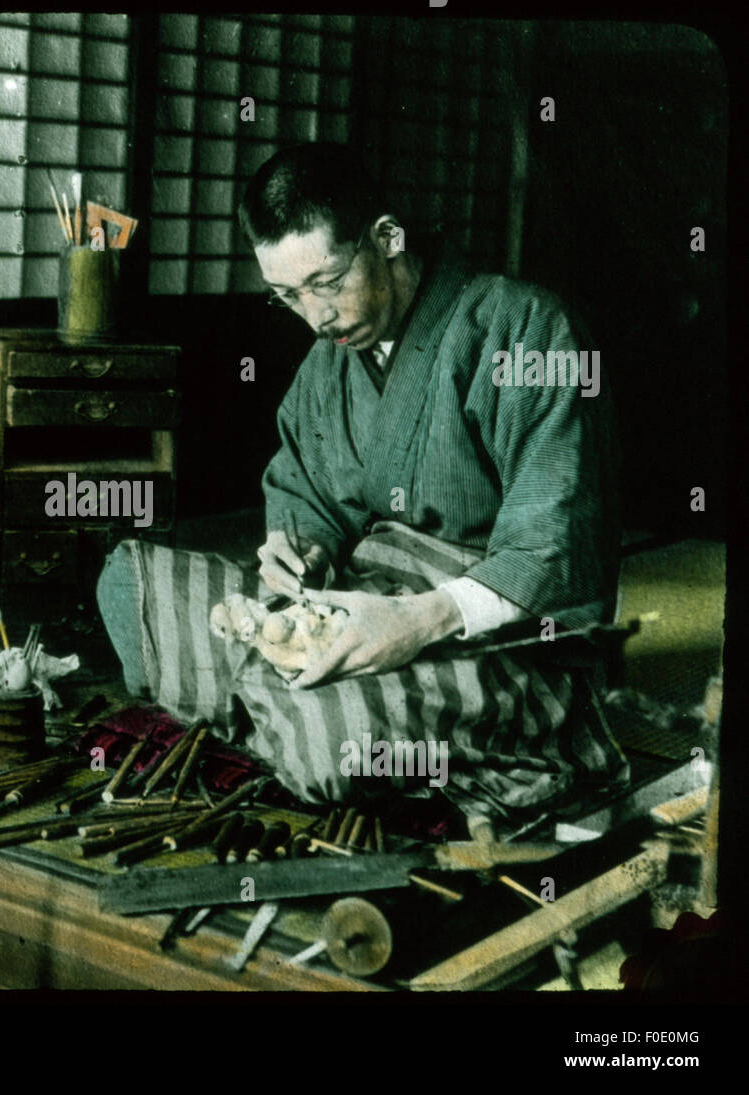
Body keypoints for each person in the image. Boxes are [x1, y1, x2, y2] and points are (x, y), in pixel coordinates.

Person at [96, 143, 628, 824]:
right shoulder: (330, 362)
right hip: (363, 597)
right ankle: (278, 705)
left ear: (386, 238)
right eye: (287, 295)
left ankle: (278, 711)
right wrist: (302, 548)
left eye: (326, 281)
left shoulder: (527, 330)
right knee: (130, 584)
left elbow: (556, 543)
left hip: (497, 635)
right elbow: (309, 493)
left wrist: (413, 620)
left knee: (336, 741)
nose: (315, 316)